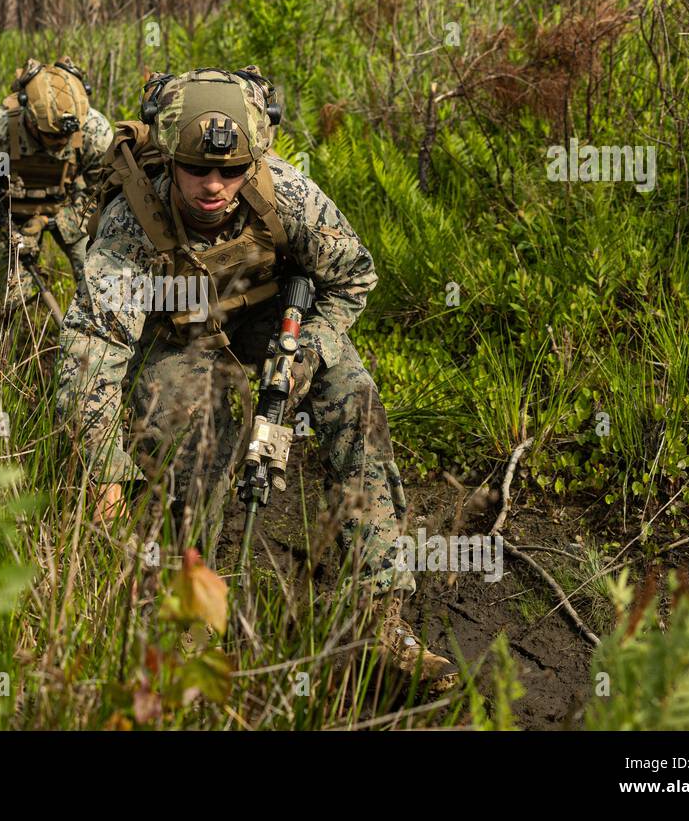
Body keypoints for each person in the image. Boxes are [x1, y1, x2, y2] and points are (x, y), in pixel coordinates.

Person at [55, 66, 457, 685]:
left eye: (230, 171)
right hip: (179, 337)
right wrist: (104, 475)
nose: (214, 186)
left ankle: (381, 620)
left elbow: (355, 277)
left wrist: (307, 353)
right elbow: (92, 351)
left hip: (276, 327)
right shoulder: (132, 222)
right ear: (169, 158)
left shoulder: (288, 196)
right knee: (189, 427)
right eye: (197, 170)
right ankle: (191, 619)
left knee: (355, 400)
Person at [0, 58, 112, 320]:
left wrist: (53, 221)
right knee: (10, 298)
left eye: (65, 138)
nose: (61, 143)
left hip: (69, 207)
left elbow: (106, 197)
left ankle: (91, 345)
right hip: (12, 215)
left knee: (97, 280)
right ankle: (8, 350)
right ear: (29, 118)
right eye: (52, 137)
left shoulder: (94, 130)